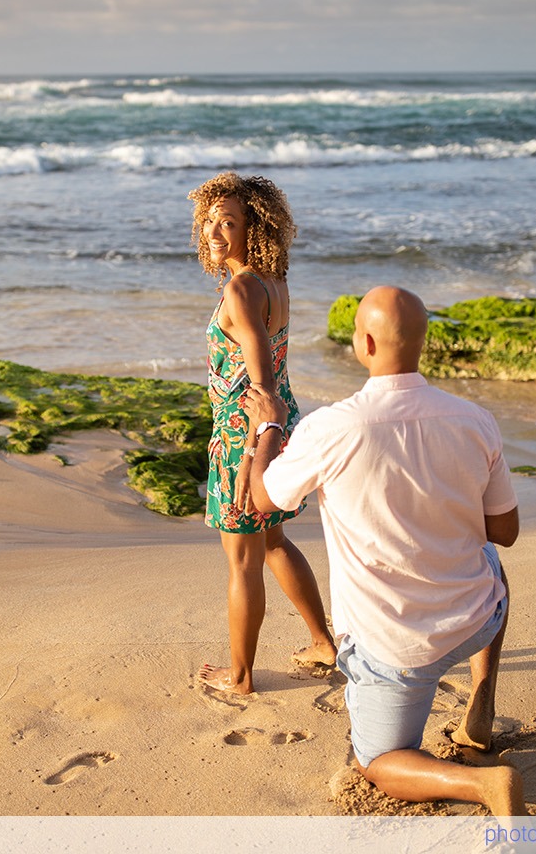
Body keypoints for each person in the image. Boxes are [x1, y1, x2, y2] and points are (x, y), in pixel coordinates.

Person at [243, 285, 526, 817]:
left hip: (394, 650)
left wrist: (269, 426)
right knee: (491, 563)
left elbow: (263, 499)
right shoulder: (474, 419)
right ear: (422, 342)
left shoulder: (331, 427)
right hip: (474, 619)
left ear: (365, 344)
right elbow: (504, 531)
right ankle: (481, 695)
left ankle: (485, 787)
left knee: (378, 760)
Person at [189, 171, 337, 696]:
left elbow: (262, 381)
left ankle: (242, 676)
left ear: (256, 227)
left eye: (228, 222)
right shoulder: (273, 282)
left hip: (246, 431)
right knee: (272, 541)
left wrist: (256, 443)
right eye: (209, 220)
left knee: (243, 557)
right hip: (278, 422)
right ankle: (323, 642)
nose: (214, 232)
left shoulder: (241, 287)